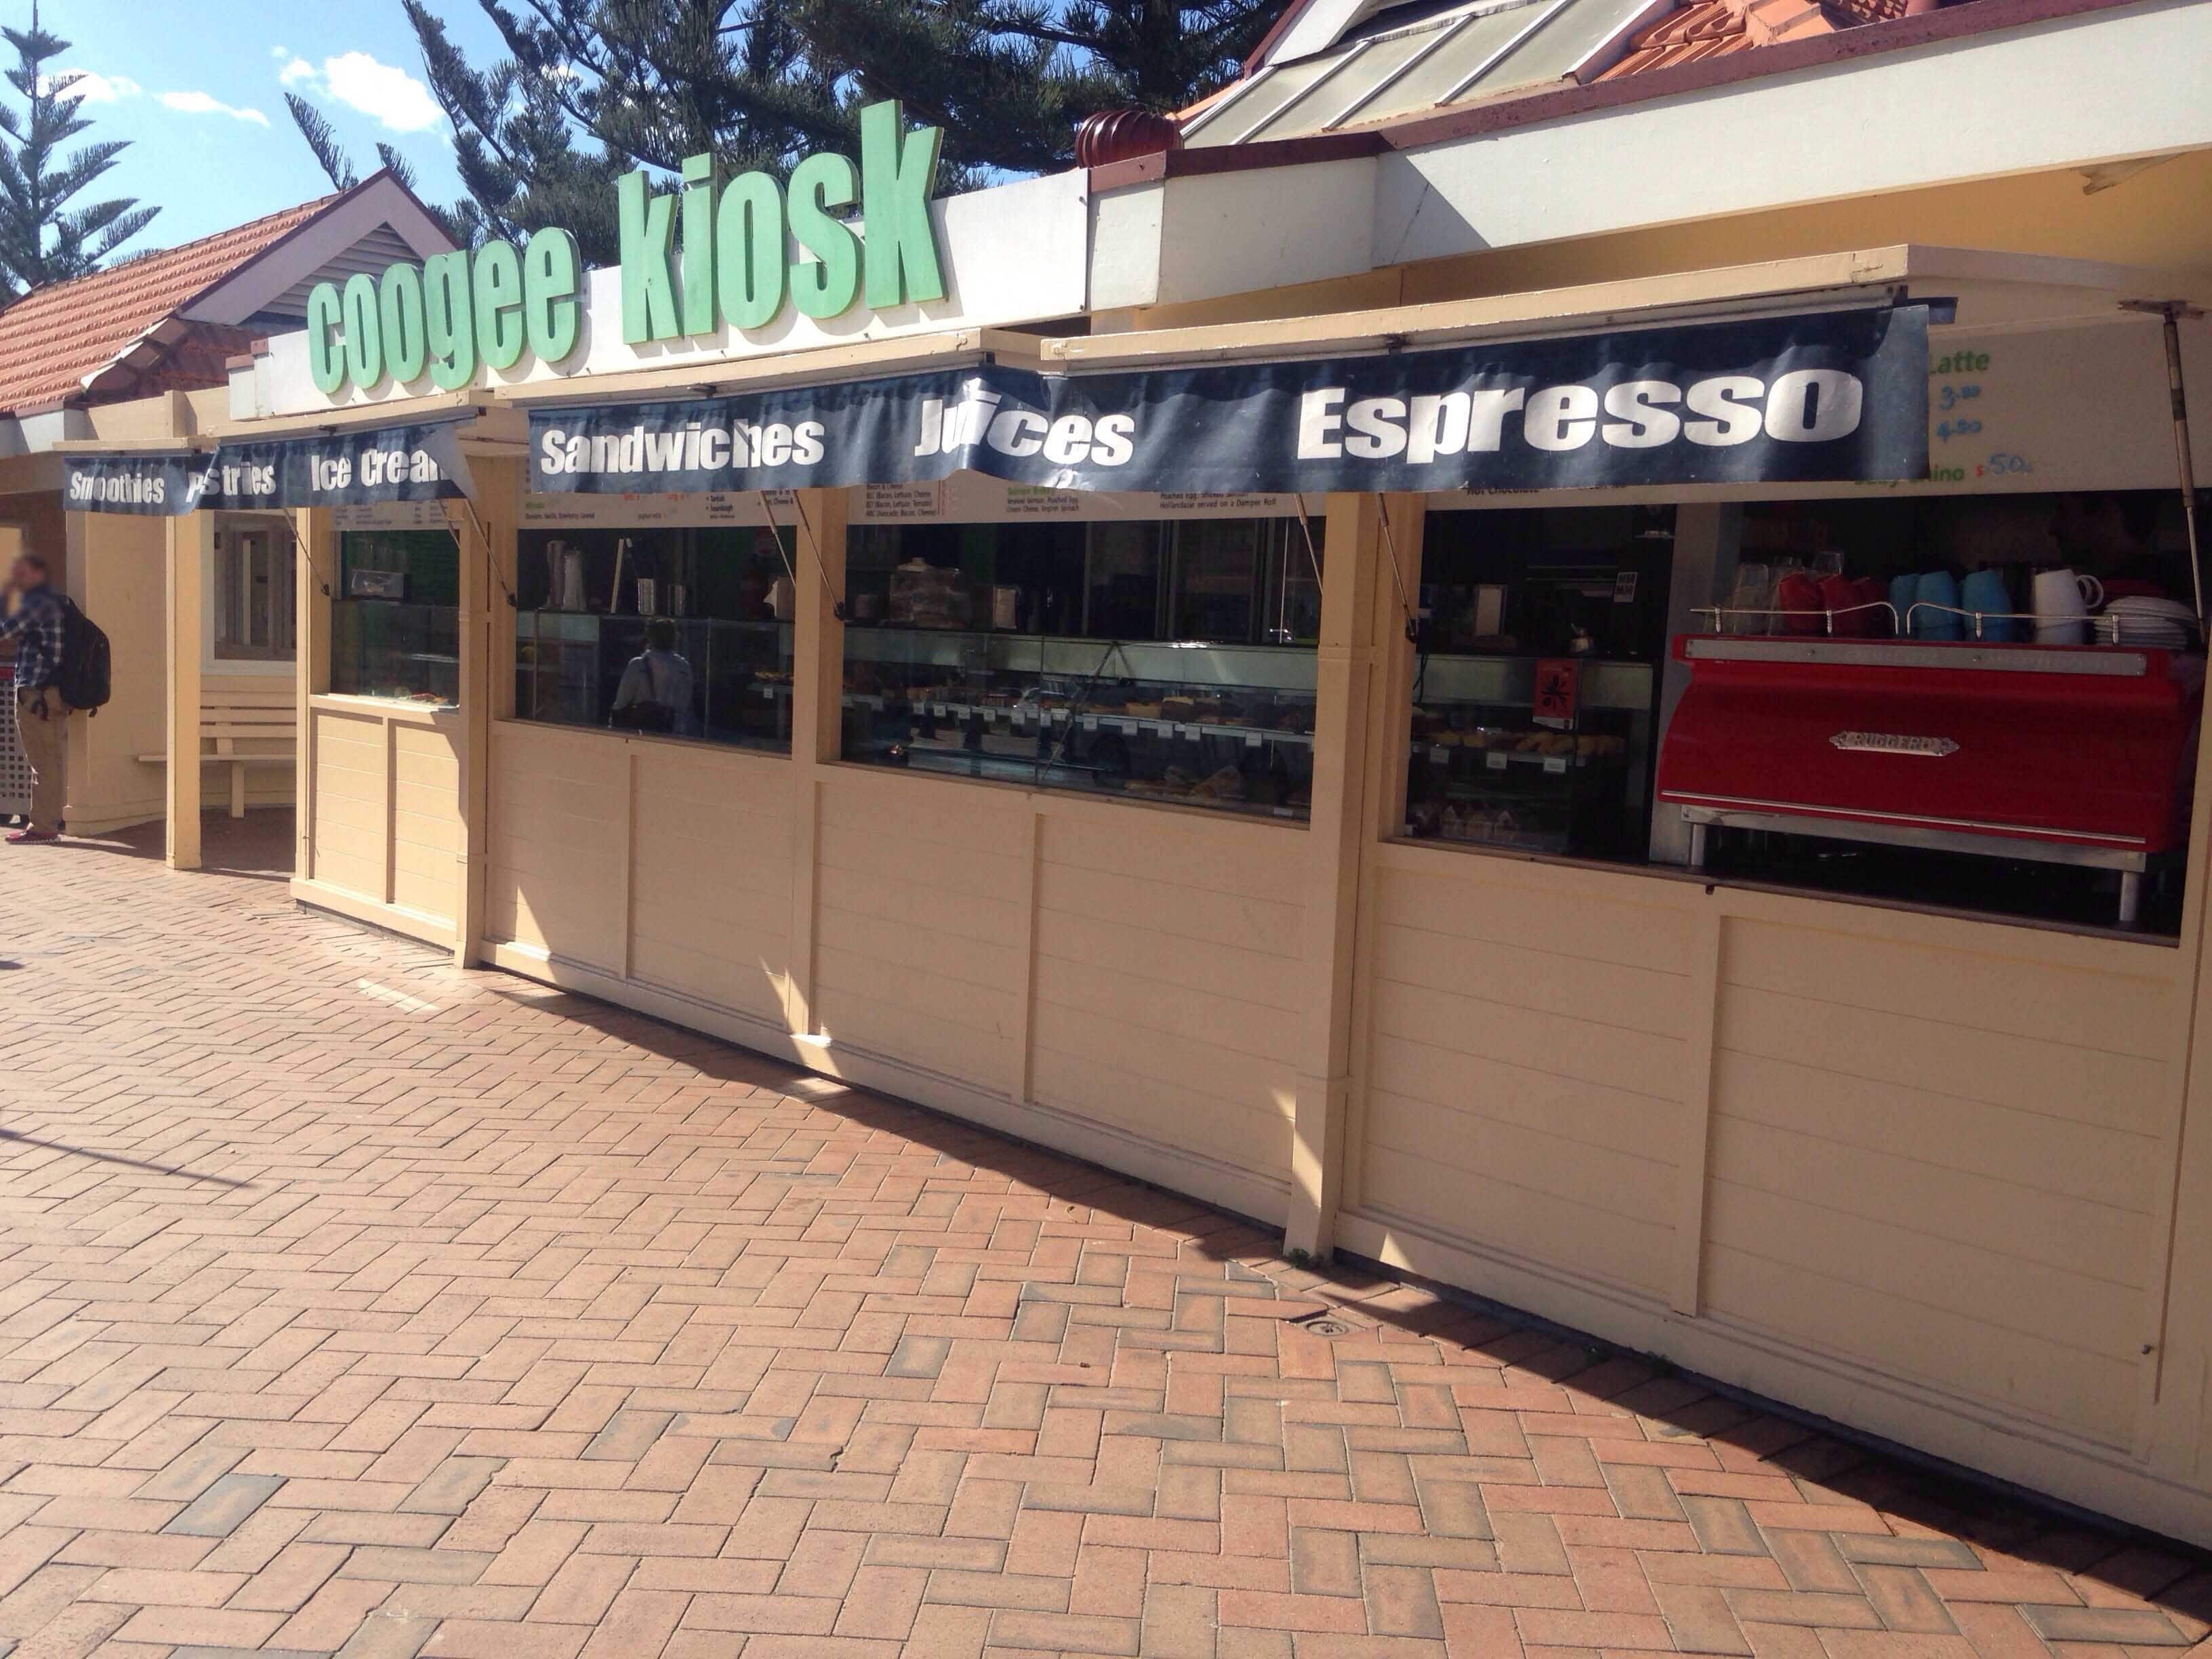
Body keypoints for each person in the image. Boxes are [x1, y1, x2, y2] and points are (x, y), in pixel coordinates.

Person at [1, 551, 68, 844]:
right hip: (53, 693)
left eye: (21, 573)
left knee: (41, 761)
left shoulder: (38, 603)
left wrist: (6, 592)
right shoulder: (58, 602)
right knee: (51, 759)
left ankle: (43, 826)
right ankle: (51, 818)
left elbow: (5, 629)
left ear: (38, 575)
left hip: (35, 694)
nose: (17, 577)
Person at [609, 617, 696, 736]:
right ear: (675, 638)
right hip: (674, 734)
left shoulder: (638, 665)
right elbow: (684, 706)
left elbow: (621, 703)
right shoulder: (684, 668)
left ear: (649, 638)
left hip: (642, 733)